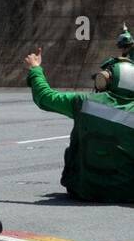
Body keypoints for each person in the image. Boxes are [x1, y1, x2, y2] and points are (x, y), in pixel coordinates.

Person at [25, 49, 134, 204]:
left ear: (104, 79)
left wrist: (35, 68)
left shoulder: (83, 102)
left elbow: (45, 96)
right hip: (126, 193)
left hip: (84, 190)